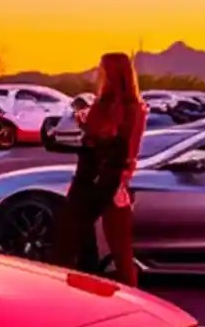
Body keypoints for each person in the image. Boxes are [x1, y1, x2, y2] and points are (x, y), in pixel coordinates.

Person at [50, 52, 148, 286]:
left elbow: (91, 143)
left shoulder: (102, 106)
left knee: (71, 237)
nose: (98, 73)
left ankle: (72, 291)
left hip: (94, 179)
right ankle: (133, 301)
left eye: (101, 69)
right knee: (121, 250)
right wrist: (124, 175)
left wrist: (83, 123)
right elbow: (131, 149)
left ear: (110, 74)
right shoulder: (137, 108)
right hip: (117, 180)